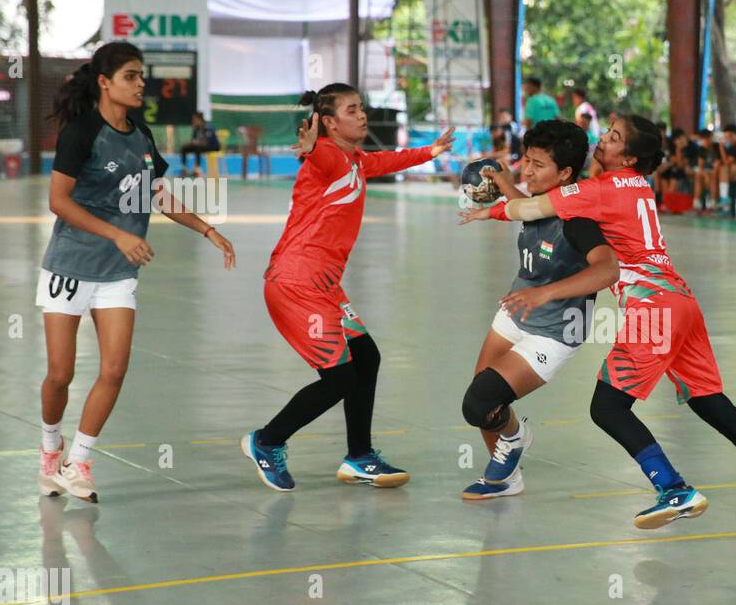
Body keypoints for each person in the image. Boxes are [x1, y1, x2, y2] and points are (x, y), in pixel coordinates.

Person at [461, 114, 736, 530]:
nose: (602, 140)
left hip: (653, 308)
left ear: (627, 156)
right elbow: (536, 208)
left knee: (608, 407)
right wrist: (507, 193)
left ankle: (673, 489)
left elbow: (531, 207)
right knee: (707, 401)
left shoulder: (597, 189)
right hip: (681, 299)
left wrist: (496, 197)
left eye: (612, 138)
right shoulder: (637, 185)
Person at [38, 41, 236, 503]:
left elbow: (157, 195)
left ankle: (79, 462)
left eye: (141, 75)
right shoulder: (82, 133)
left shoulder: (142, 136)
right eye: (131, 75)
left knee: (114, 368)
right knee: (60, 375)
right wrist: (118, 234)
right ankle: (50, 448)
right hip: (69, 265)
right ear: (105, 82)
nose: (140, 83)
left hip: (117, 274)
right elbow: (58, 202)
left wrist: (208, 230)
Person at [239, 83, 455, 491]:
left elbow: (386, 160)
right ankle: (266, 441)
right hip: (297, 283)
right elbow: (316, 155)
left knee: (365, 357)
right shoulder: (327, 159)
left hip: (325, 286)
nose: (362, 115)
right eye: (352, 110)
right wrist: (310, 146)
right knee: (340, 378)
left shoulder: (353, 159)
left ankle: (359, 456)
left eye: (361, 108)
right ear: (329, 122)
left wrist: (430, 152)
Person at [458, 120, 620, 499]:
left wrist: (547, 294)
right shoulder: (540, 201)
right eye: (526, 160)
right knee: (482, 395)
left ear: (565, 173)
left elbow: (607, 268)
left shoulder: (578, 219)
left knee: (480, 402)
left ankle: (513, 440)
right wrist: (500, 183)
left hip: (556, 329)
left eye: (538, 165)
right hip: (516, 311)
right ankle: (505, 477)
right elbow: (524, 208)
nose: (527, 171)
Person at [179, 111, 220, 176]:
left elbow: (206, 142)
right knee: (184, 148)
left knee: (198, 148)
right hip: (200, 146)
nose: (193, 121)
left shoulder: (208, 127)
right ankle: (184, 169)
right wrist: (189, 143)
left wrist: (196, 143)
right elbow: (193, 140)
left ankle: (197, 169)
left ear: (199, 119)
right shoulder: (196, 128)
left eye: (194, 119)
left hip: (212, 146)